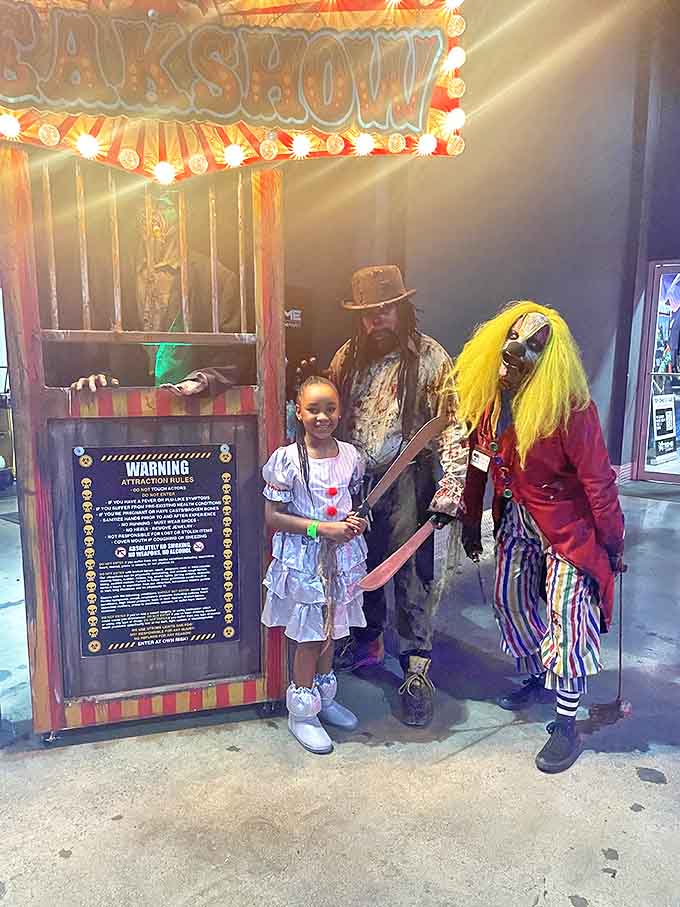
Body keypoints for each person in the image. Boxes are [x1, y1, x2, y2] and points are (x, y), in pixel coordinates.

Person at [454, 301, 625, 773]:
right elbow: (478, 462)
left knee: (567, 615)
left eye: (533, 347)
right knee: (510, 600)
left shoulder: (572, 407)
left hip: (567, 529)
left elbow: (598, 480)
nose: (518, 355)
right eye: (514, 344)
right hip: (516, 518)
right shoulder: (492, 404)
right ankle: (536, 676)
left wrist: (612, 542)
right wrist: (472, 519)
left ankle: (566, 721)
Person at [327, 265, 467, 727]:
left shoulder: (430, 358)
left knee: (409, 572)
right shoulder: (347, 359)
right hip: (356, 482)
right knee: (361, 567)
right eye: (368, 313)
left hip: (408, 478)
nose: (377, 320)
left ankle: (416, 668)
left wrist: (450, 487)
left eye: (385, 309)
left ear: (402, 307)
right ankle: (368, 643)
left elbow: (452, 426)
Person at [261, 376, 368, 754]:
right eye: (313, 409)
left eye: (330, 409)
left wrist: (356, 522)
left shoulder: (351, 456)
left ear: (340, 410)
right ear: (298, 411)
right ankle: (302, 712)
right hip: (305, 559)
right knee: (309, 637)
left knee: (332, 630)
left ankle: (324, 697)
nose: (322, 417)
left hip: (342, 557)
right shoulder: (287, 459)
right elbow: (273, 517)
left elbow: (351, 504)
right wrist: (320, 528)